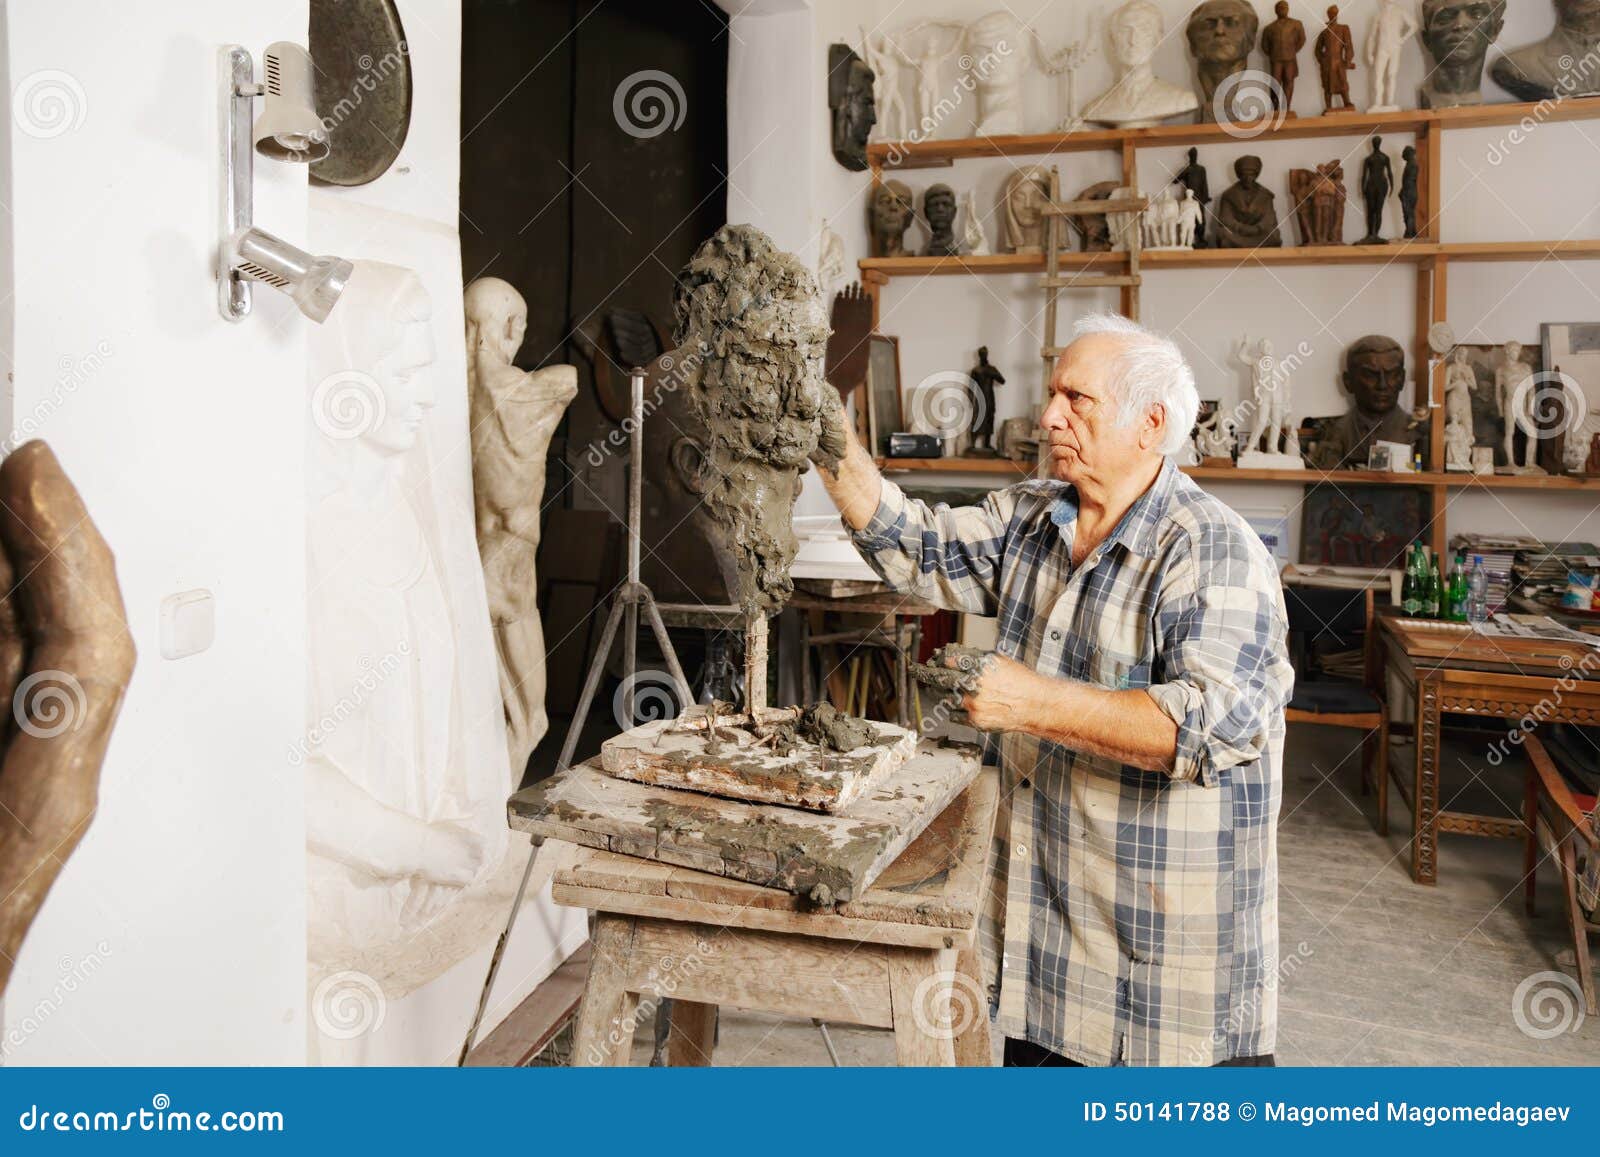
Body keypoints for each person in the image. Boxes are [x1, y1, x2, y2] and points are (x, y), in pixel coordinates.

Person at [812, 312, 1293, 1067]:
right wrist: (826, 433)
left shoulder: (1213, 550)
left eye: (1077, 399)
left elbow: (1210, 728)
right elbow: (918, 546)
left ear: (1151, 423)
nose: (1048, 416)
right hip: (1049, 966)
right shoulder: (1036, 515)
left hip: (1167, 994)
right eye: (1052, 394)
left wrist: (1029, 702)